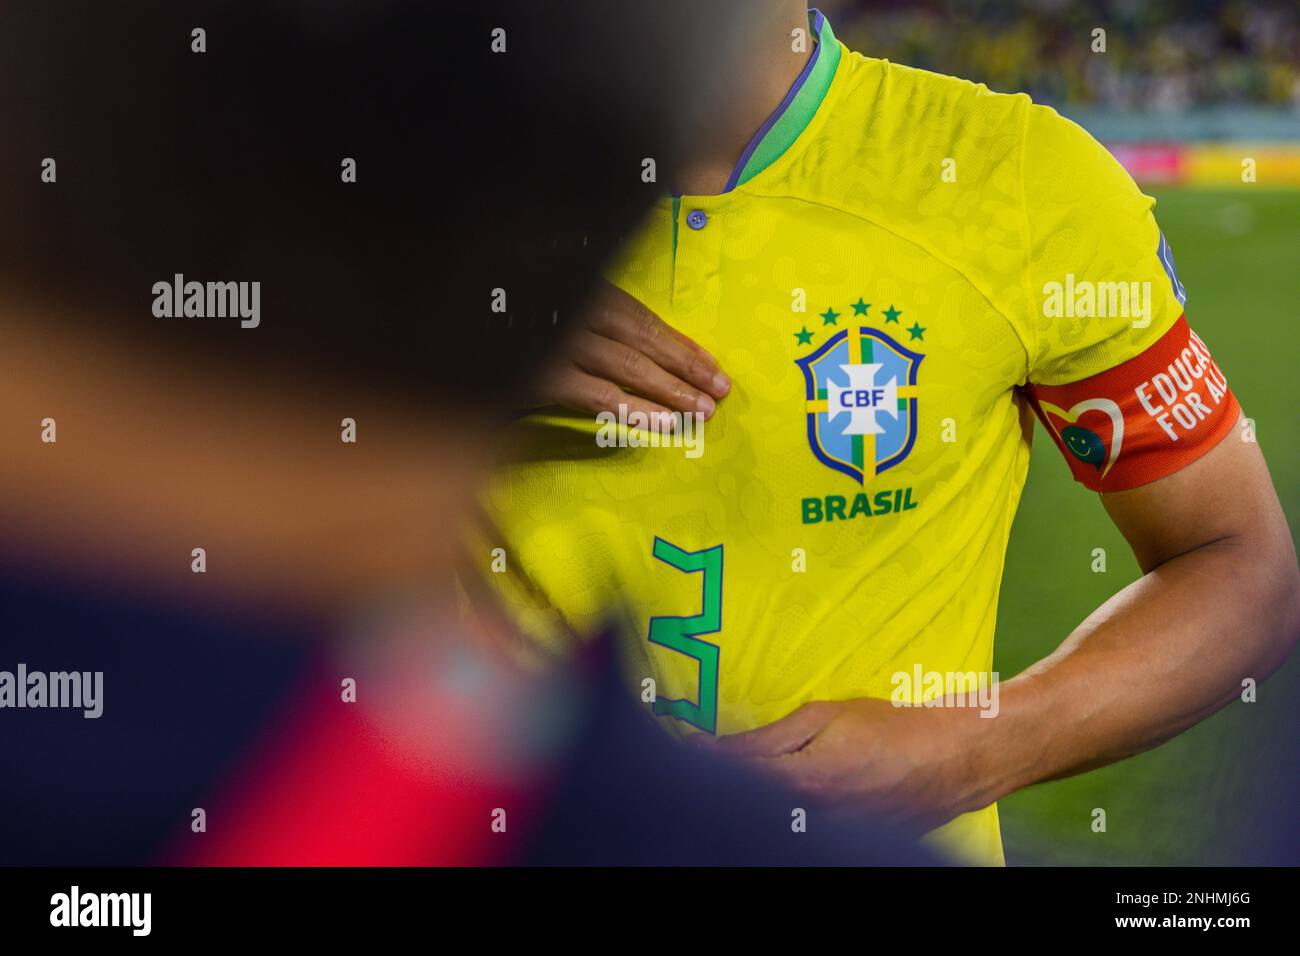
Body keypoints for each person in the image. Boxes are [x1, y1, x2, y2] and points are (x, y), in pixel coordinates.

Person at [468, 3, 1300, 865]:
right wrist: (425, 349)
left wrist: (978, 747)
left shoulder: (1014, 181)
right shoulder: (393, 188)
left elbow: (1241, 564)